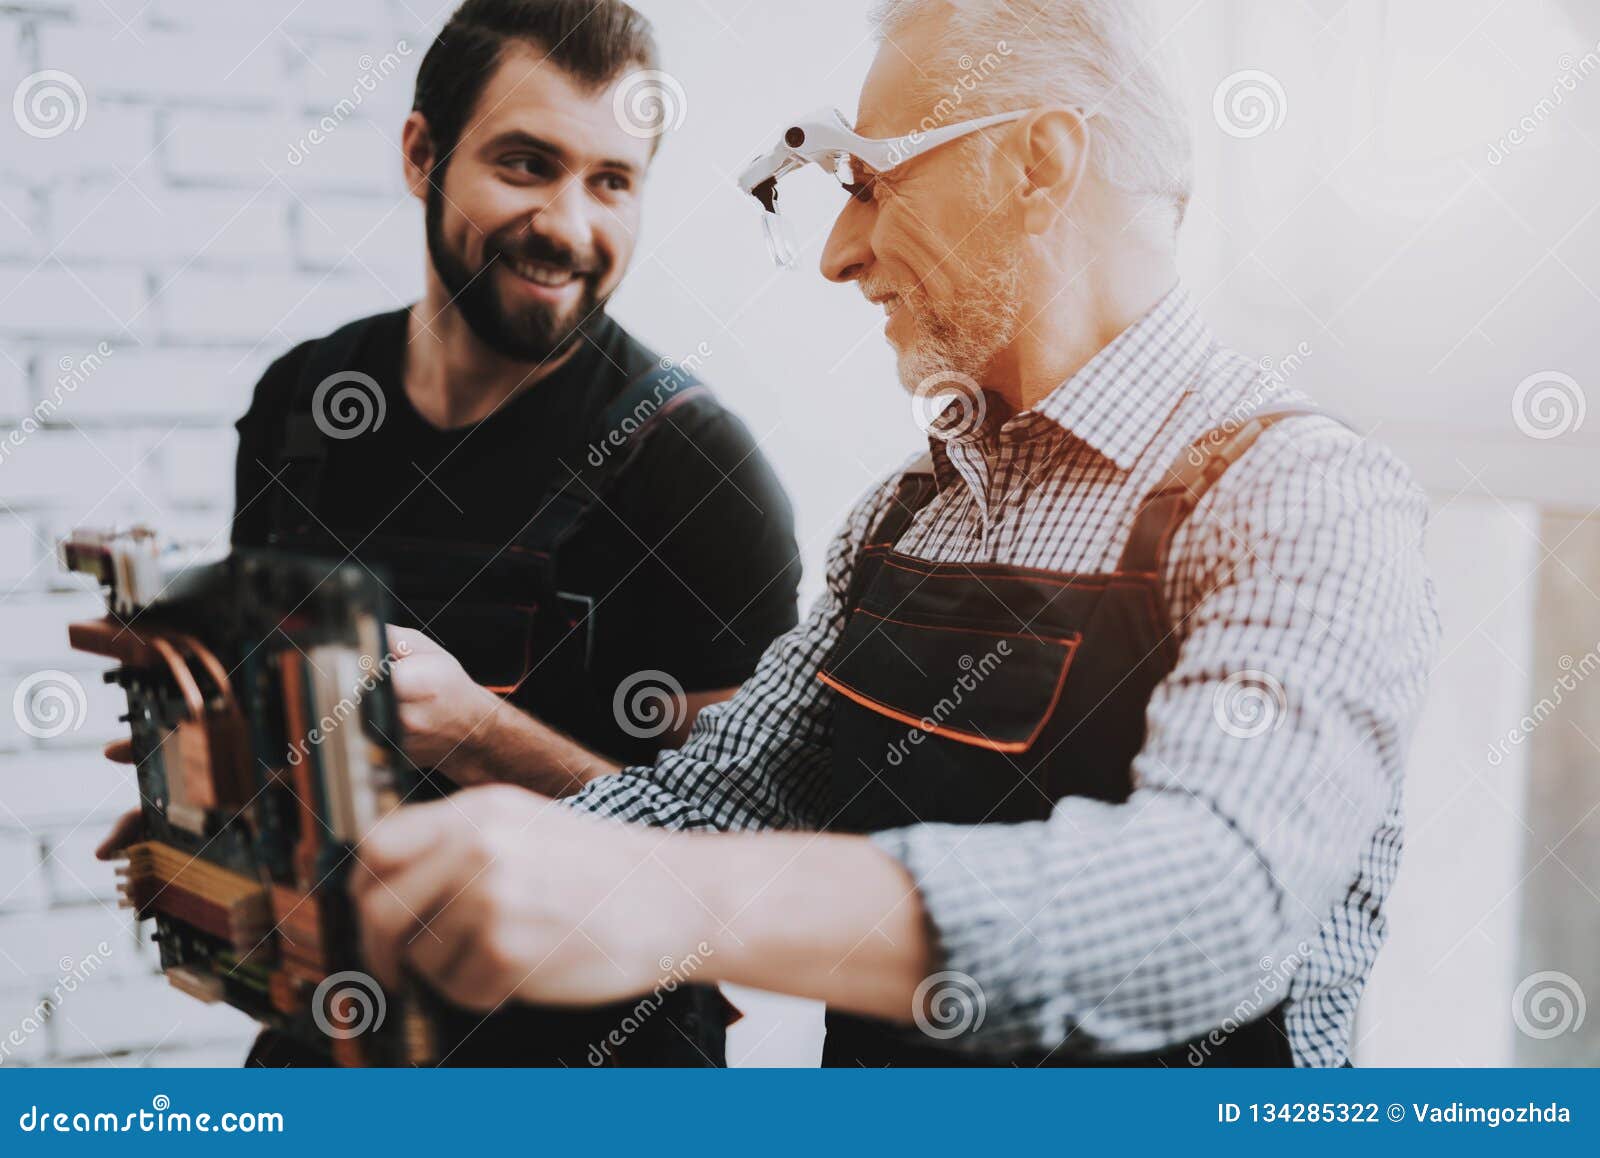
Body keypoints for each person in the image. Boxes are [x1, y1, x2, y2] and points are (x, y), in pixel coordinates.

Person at [351, 0, 1441, 1067]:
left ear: (1037, 165)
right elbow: (707, 814)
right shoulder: (904, 516)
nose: (840, 252)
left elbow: (1210, 905)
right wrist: (427, 849)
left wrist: (678, 898)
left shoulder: (1300, 496)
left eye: (872, 183)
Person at [98, 0, 801, 1068]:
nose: (569, 225)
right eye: (527, 164)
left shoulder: (695, 468)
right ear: (422, 154)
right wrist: (205, 816)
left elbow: (748, 861)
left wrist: (480, 735)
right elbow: (291, 749)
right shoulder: (303, 402)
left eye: (612, 181)